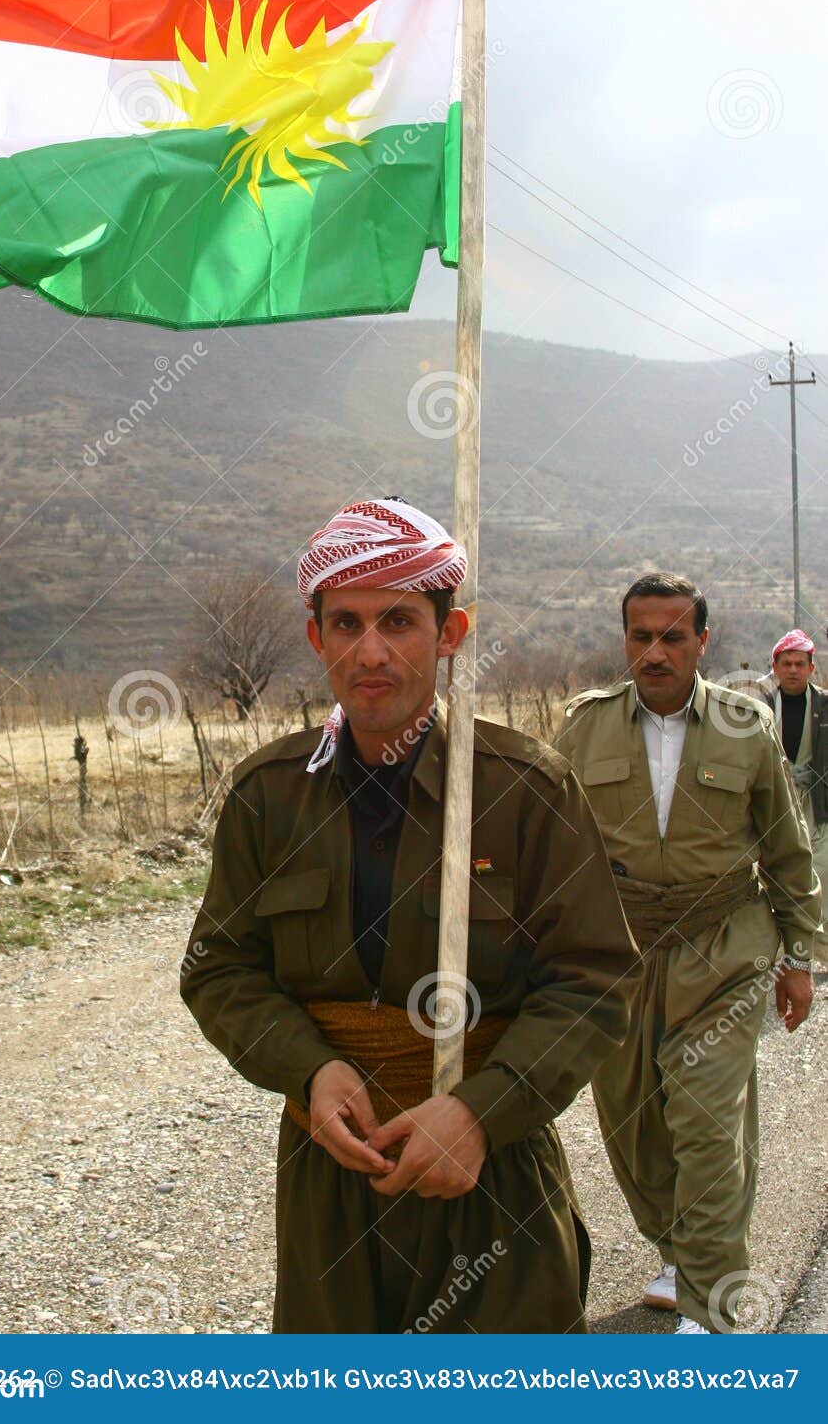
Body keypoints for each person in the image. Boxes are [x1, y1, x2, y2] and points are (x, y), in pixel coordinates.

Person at [181, 497, 638, 1334]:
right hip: (330, 1187)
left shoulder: (524, 791)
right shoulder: (266, 796)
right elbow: (218, 969)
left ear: (450, 631)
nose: (372, 651)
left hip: (491, 1179)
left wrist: (477, 1114)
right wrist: (309, 1072)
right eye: (346, 623)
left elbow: (596, 981)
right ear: (315, 636)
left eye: (399, 620)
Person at [555, 574, 820, 1335]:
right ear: (625, 642)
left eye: (673, 636)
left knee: (706, 1122)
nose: (655, 652)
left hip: (723, 948)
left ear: (702, 642)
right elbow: (550, 848)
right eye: (641, 637)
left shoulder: (745, 725)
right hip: (622, 954)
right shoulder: (584, 729)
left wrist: (797, 955)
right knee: (632, 1126)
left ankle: (709, 1305)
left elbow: (786, 848)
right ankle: (674, 1248)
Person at [763, 629, 828, 965]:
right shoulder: (759, 709)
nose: (792, 670)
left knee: (822, 874)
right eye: (786, 663)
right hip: (777, 806)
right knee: (776, 877)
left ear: (811, 668)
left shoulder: (825, 706)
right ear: (775, 666)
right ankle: (775, 959)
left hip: (819, 807)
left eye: (799, 664)